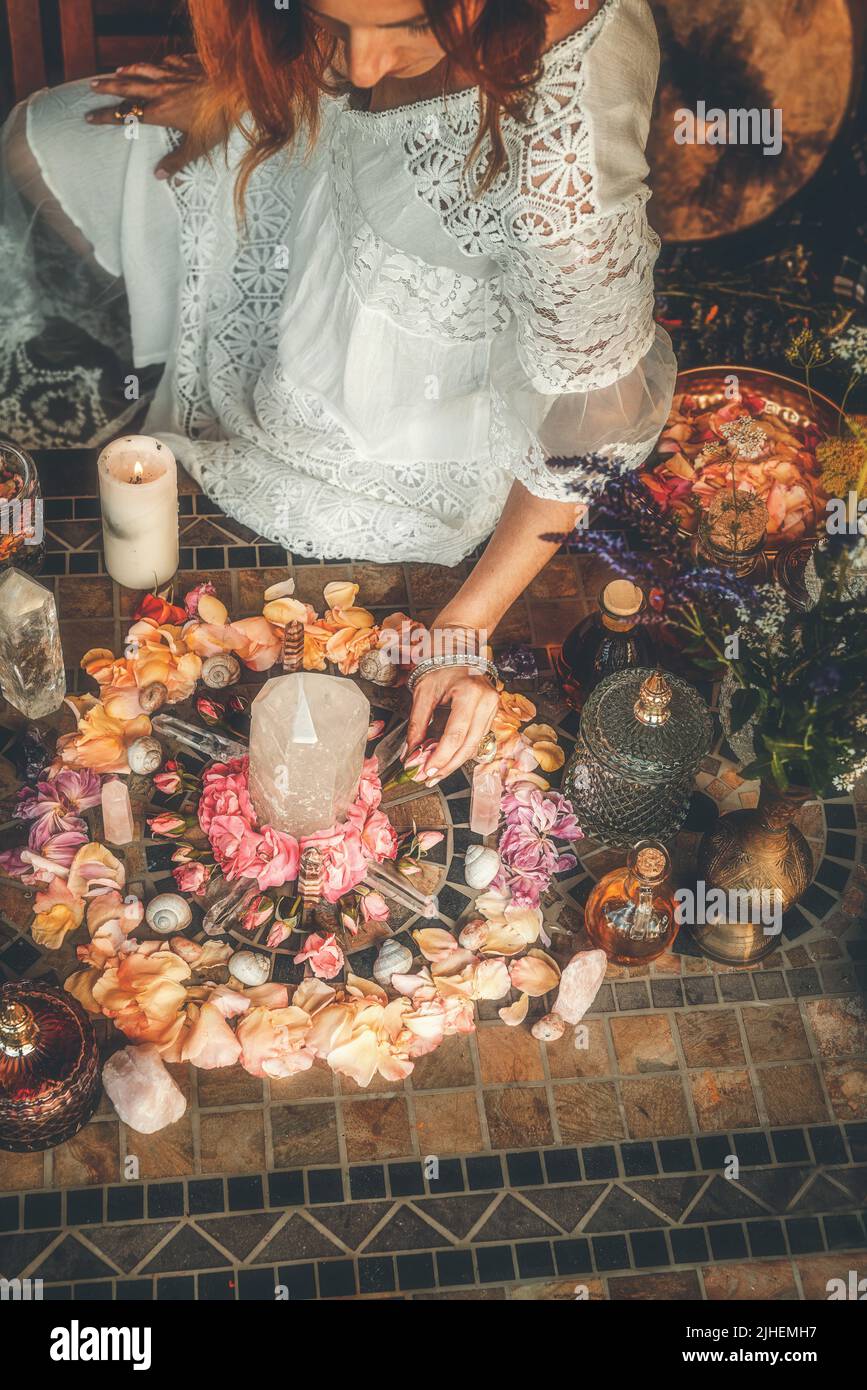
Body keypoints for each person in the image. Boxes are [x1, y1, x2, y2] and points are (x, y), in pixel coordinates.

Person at [0, 0, 675, 782]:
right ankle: (95, 387)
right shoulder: (360, 53)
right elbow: (343, 77)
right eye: (336, 18)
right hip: (321, 190)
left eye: (410, 27)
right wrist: (253, 99)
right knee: (48, 131)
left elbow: (583, 443)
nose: (360, 66)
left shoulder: (564, 178)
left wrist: (462, 629)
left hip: (396, 423)